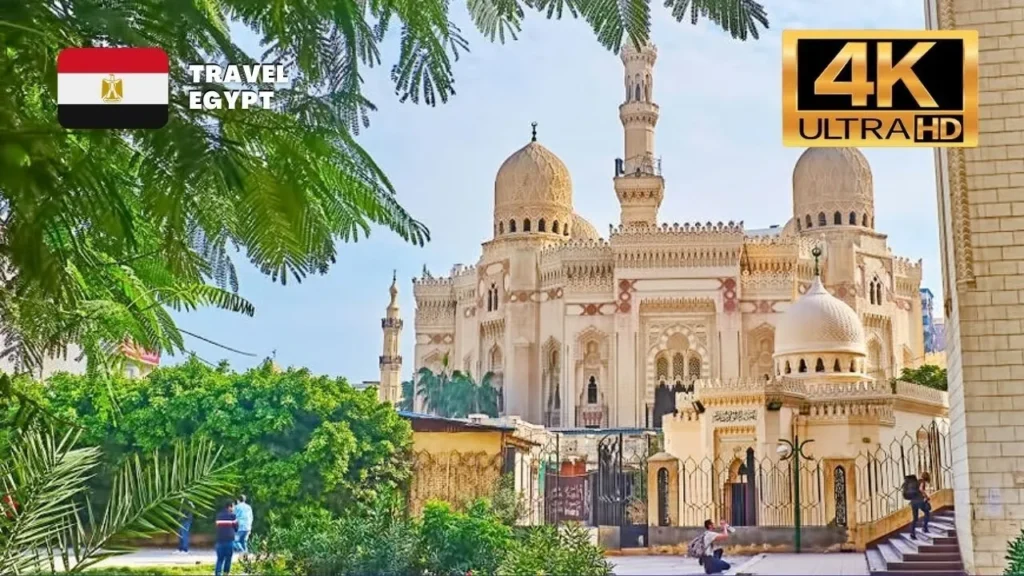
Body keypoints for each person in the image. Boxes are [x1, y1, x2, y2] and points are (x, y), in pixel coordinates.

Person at [214, 501, 238, 576]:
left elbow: (217, 527)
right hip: (229, 540)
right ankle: (225, 573)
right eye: (233, 507)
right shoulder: (233, 516)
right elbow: (236, 528)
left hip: (219, 540)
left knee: (220, 559)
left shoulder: (218, 516)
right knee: (228, 558)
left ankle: (218, 573)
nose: (233, 508)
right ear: (229, 507)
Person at [910, 471, 932, 540]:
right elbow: (921, 489)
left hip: (913, 501)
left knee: (915, 518)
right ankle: (924, 528)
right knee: (927, 512)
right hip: (919, 501)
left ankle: (912, 533)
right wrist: (926, 497)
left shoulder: (917, 482)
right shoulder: (922, 482)